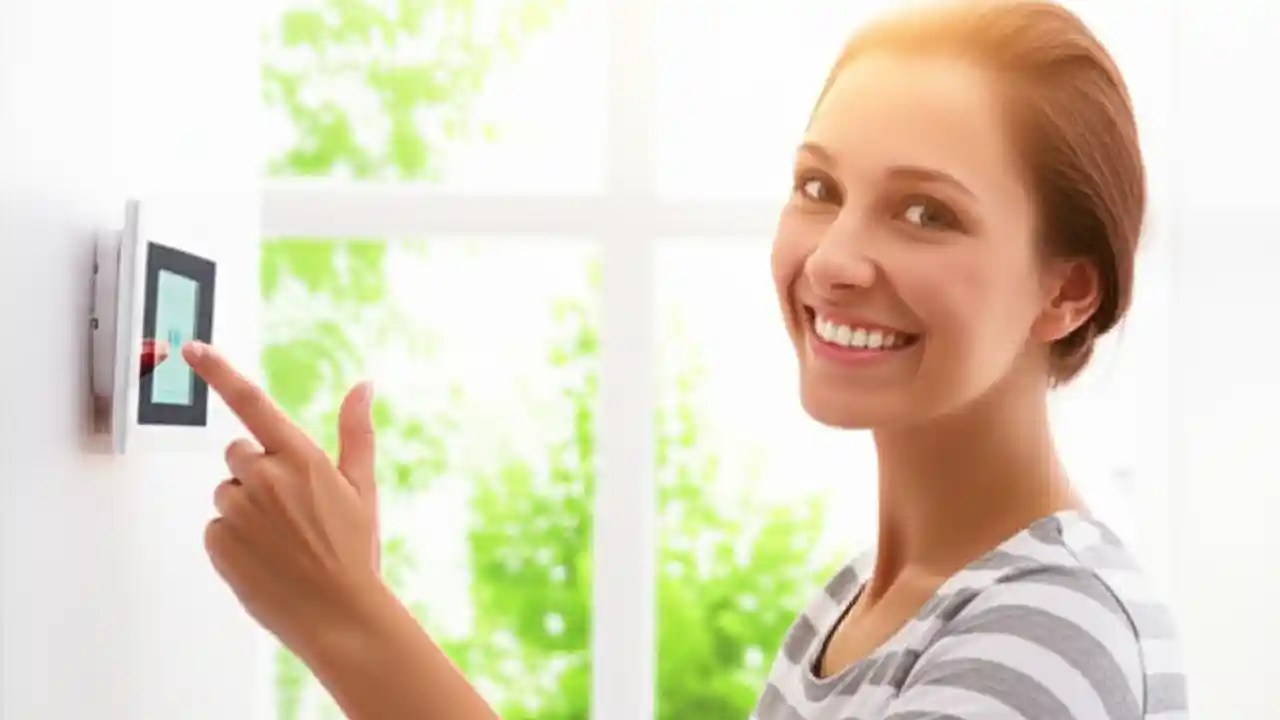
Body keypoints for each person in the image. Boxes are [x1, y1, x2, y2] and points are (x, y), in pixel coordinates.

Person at [182, 0, 1187, 718]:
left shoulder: (1054, 631)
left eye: (926, 213)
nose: (833, 260)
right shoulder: (854, 604)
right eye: (818, 187)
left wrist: (348, 623)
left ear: (1066, 290)